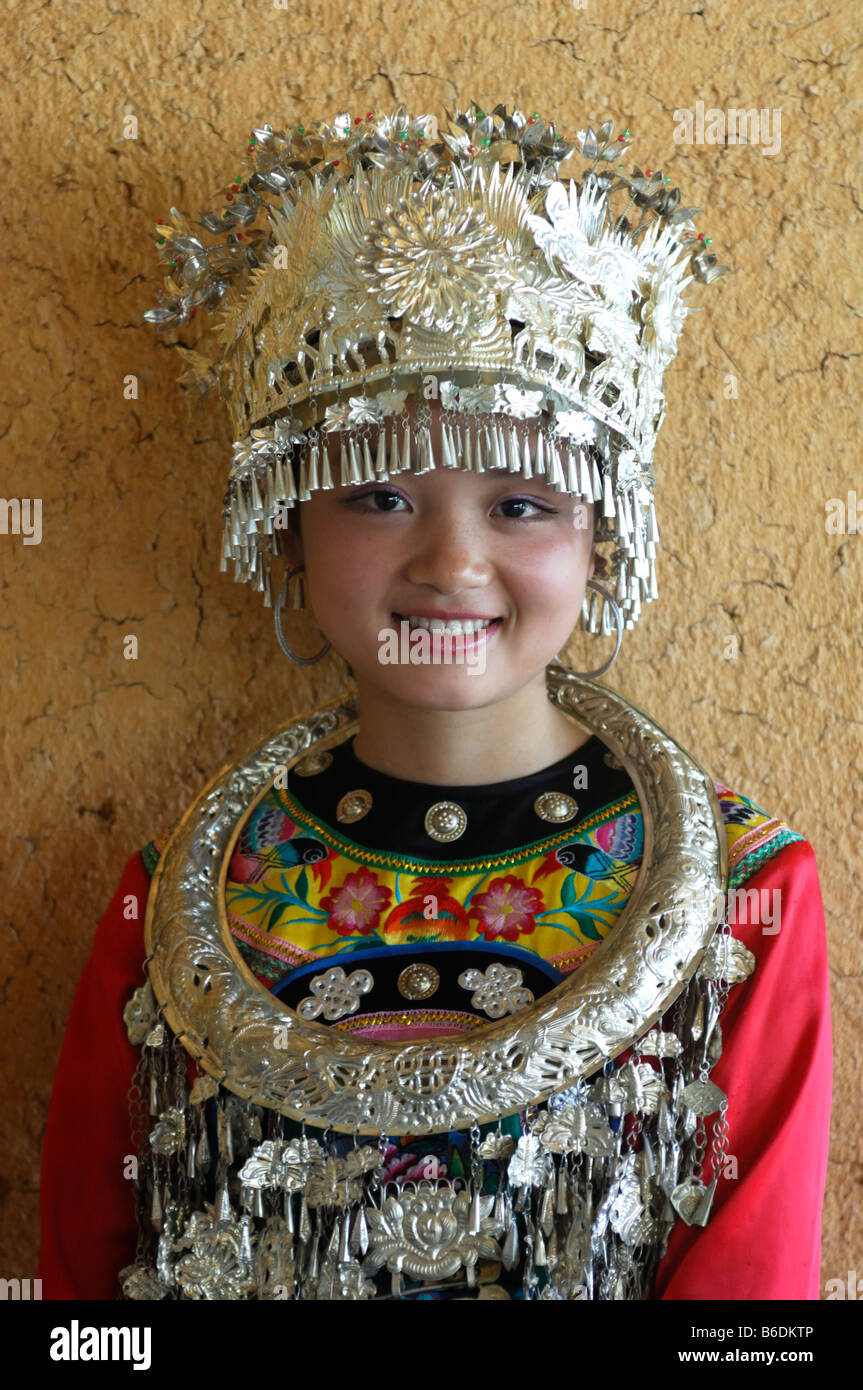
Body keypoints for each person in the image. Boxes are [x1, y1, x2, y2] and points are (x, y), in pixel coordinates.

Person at [38, 102, 832, 1301]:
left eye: (521, 504)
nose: (452, 566)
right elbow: (82, 1312)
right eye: (378, 496)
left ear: (599, 544)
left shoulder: (747, 901)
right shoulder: (172, 904)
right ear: (287, 528)